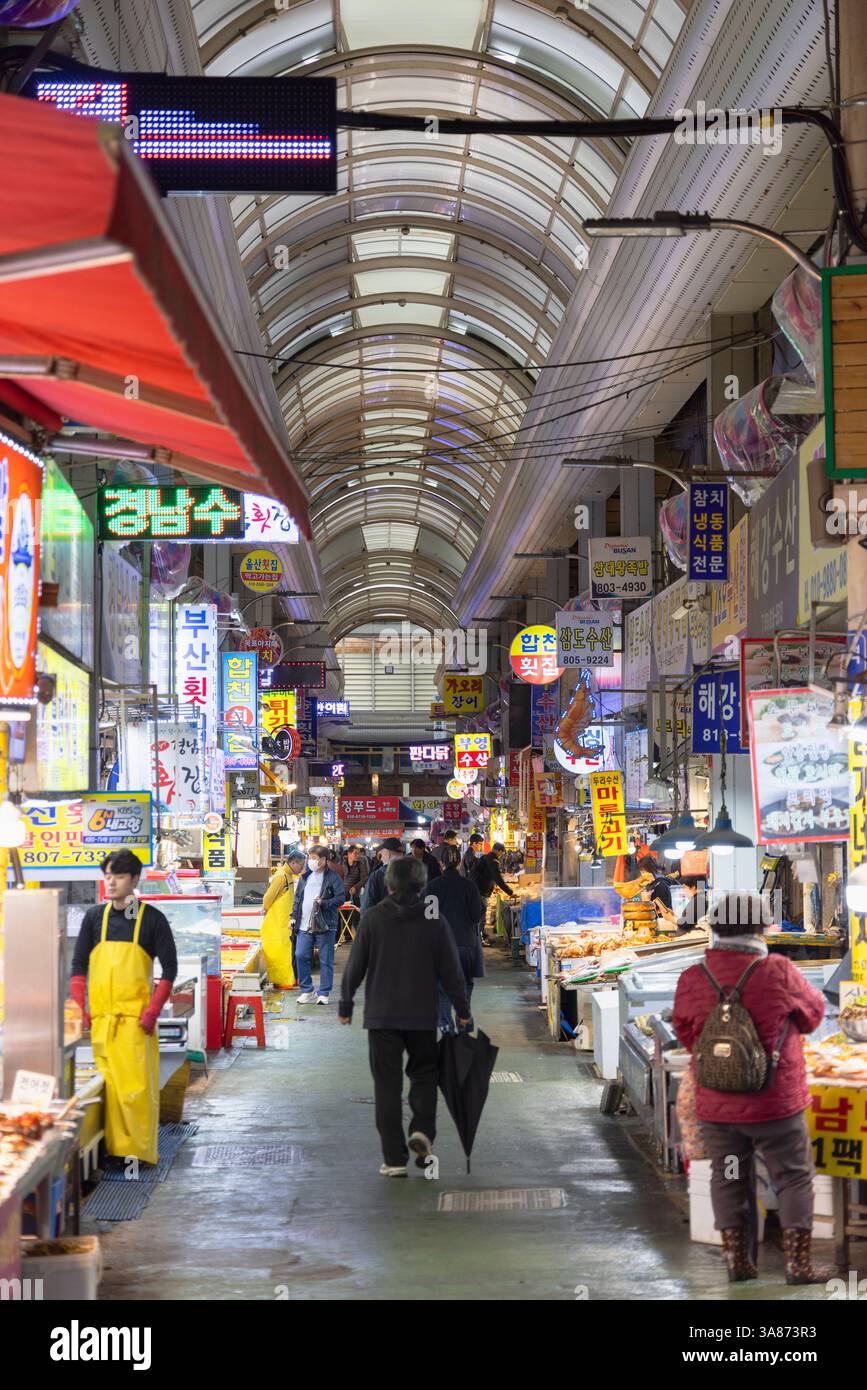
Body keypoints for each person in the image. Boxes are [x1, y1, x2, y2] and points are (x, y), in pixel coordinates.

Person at [672, 891, 829, 1285]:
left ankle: (737, 1261)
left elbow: (687, 1034)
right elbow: (812, 1015)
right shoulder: (778, 970)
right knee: (792, 1177)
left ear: (715, 929)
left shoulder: (694, 977)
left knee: (729, 1176)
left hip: (720, 1112)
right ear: (760, 927)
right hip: (776, 1107)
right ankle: (797, 1265)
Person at [338, 855, 471, 1177]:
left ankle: (395, 1160)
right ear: (422, 885)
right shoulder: (433, 918)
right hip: (422, 1016)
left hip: (382, 1016)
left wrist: (345, 1003)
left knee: (386, 1087)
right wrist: (462, 1010)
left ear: (388, 883)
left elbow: (355, 966)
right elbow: (451, 970)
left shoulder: (371, 918)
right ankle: (422, 1130)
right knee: (424, 1076)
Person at [69, 851, 177, 1167]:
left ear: (134, 880)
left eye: (118, 876)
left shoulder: (152, 919)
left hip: (134, 1025)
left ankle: (136, 1156)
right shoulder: (94, 918)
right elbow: (78, 964)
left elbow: (169, 968)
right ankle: (108, 1152)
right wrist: (81, 1006)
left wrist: (152, 1011)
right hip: (101, 1023)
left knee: (134, 1091)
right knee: (105, 1088)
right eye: (107, 876)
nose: (111, 882)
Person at [427, 855, 485, 1034]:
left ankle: (446, 1027)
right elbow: (477, 915)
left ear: (441, 863)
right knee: (465, 986)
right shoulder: (469, 886)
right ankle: (464, 1024)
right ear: (459, 863)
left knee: (442, 989)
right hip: (466, 945)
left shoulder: (433, 886)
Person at [290, 844, 345, 1005]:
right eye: (310, 858)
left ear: (323, 860)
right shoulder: (305, 877)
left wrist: (323, 902)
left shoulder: (332, 877)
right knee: (300, 955)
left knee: (325, 959)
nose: (311, 861)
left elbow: (340, 898)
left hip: (326, 925)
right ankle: (307, 990)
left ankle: (324, 993)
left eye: (314, 858)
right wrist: (293, 917)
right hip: (304, 924)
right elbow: (298, 900)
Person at [261, 850, 305, 987]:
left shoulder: (289, 875)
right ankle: (282, 981)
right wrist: (266, 908)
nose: (302, 868)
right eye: (301, 865)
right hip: (278, 922)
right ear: (293, 863)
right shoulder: (281, 876)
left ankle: (288, 980)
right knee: (281, 953)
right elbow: (267, 898)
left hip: (285, 922)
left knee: (287, 952)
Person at [361, 836, 404, 910]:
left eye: (382, 853)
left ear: (388, 854)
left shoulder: (377, 876)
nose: (381, 858)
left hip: (384, 920)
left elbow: (367, 907)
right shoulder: (414, 873)